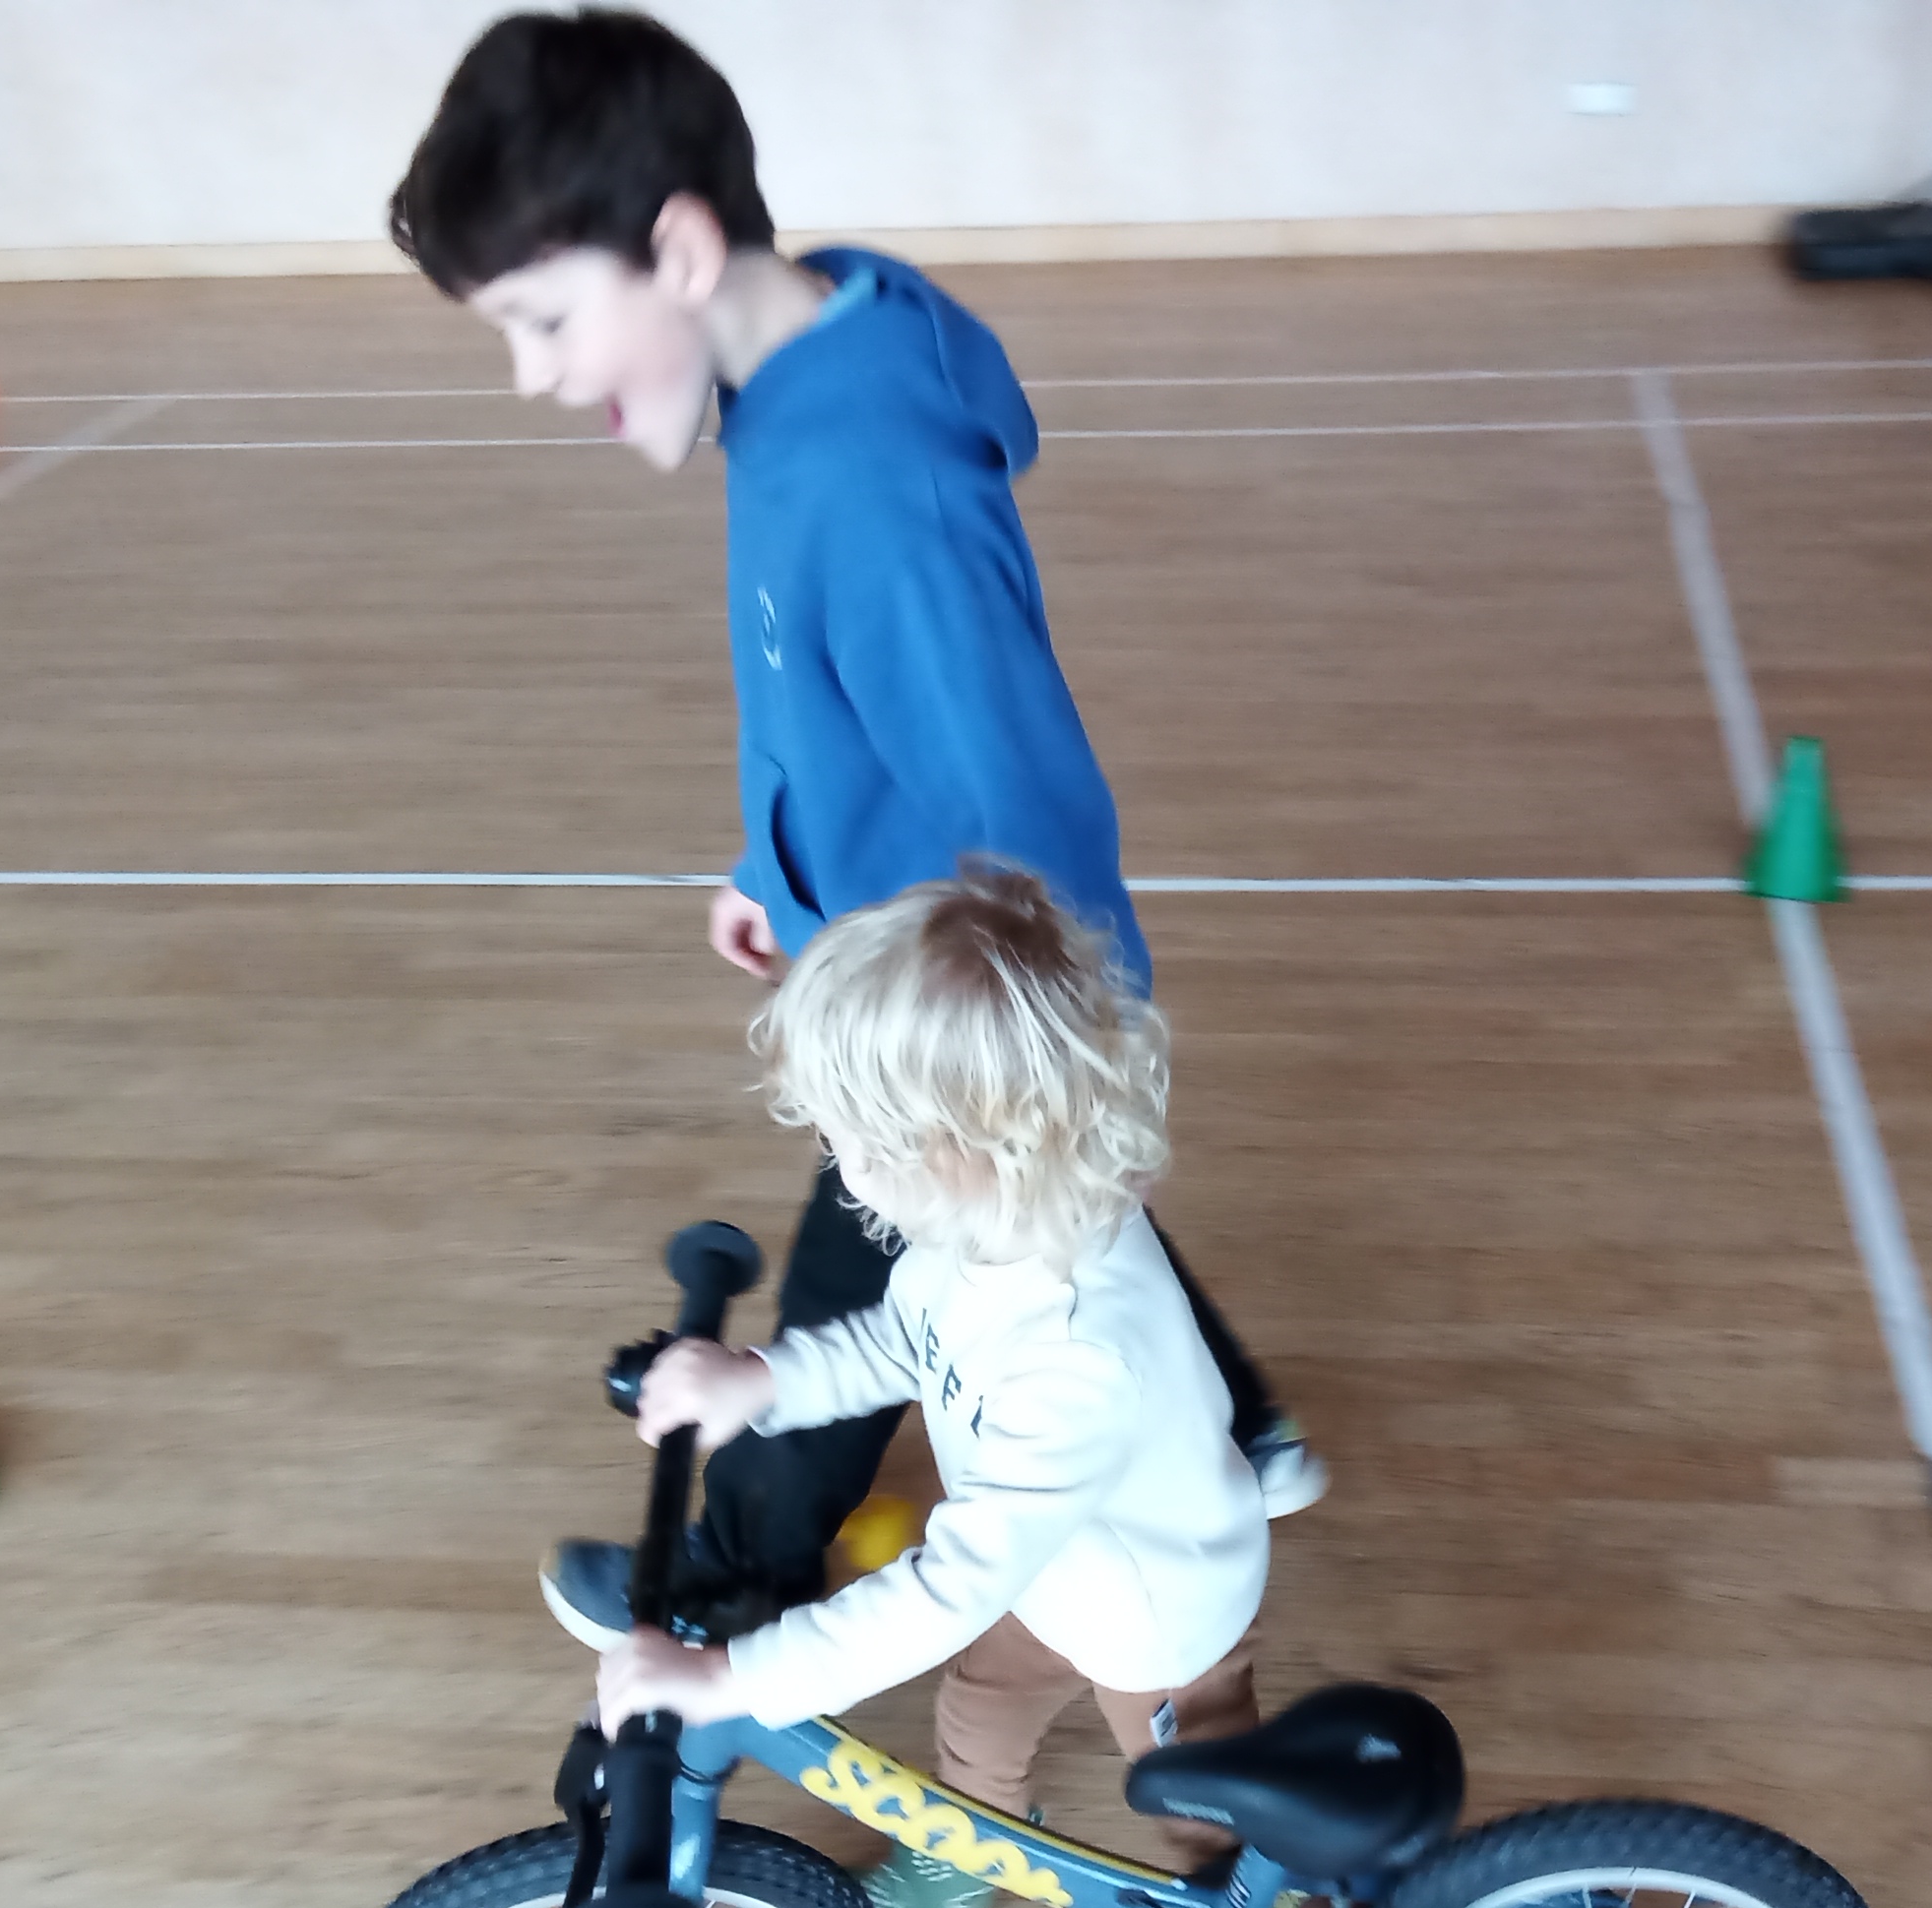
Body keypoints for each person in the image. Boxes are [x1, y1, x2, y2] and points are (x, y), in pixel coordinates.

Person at [388, 8, 1320, 1626]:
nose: (536, 379)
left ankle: (731, 1585)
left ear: (676, 250)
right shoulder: (812, 338)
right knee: (1044, 1210)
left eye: (543, 322)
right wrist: (773, 858)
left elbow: (1024, 786)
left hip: (941, 1008)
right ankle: (1236, 1417)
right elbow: (807, 676)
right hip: (876, 931)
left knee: (875, 1256)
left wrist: (1028, 1039)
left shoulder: (871, 477)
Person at [550, 870, 1371, 1908]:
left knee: (1204, 1811)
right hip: (1054, 1573)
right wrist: (762, 1384)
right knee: (980, 1710)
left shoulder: (1073, 1356)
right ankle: (967, 1858)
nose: (834, 1157)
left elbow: (945, 1591)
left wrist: (731, 1675)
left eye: (854, 1140)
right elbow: (905, 1343)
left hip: (1147, 1620)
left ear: (961, 1150)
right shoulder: (990, 1227)